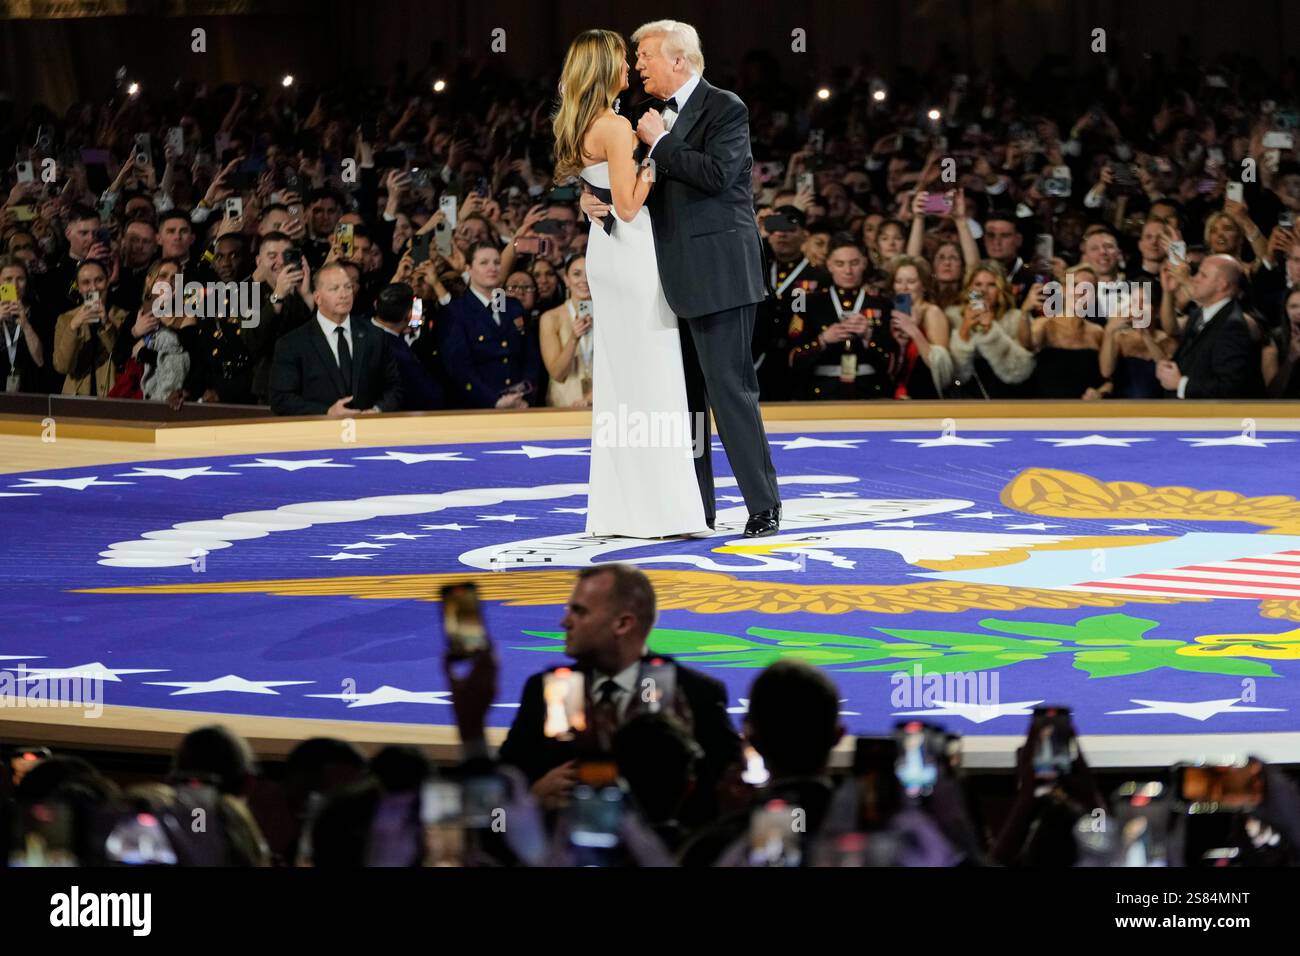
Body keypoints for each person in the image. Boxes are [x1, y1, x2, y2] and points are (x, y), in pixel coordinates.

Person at [580, 19, 781, 538]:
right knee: (685, 403)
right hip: (663, 281)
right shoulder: (639, 118)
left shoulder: (725, 107)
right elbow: (640, 193)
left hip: (719, 275)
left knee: (729, 391)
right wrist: (596, 201)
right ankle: (696, 509)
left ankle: (763, 505)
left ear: (679, 60)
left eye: (644, 55)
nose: (637, 64)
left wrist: (663, 142)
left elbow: (718, 176)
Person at [556, 28, 706, 537]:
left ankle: (621, 511)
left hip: (606, 255)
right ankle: (663, 511)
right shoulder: (617, 127)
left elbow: (595, 191)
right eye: (622, 60)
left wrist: (587, 195)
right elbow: (626, 204)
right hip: (633, 254)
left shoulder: (579, 124)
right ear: (603, 69)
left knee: (621, 385)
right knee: (656, 379)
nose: (629, 69)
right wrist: (653, 167)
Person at [497, 564, 741, 826]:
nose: (564, 621)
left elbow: (728, 798)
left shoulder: (695, 695)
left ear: (623, 624)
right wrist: (532, 800)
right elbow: (497, 797)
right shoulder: (547, 689)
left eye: (579, 611)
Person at [269, 261, 403, 416]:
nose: (344, 294)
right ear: (317, 297)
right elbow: (281, 399)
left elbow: (395, 387)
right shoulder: (292, 343)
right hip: (318, 434)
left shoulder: (374, 335)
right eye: (334, 289)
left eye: (348, 287)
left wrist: (377, 410)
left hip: (367, 432)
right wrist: (326, 412)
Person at [438, 242, 541, 410]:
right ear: (469, 269)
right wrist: (494, 401)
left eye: (497, 262)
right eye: (484, 263)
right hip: (478, 408)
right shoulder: (456, 311)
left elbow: (530, 358)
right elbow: (459, 368)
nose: (492, 268)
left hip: (520, 405)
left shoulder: (513, 307)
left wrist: (526, 397)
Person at [1156, 254, 1263, 399]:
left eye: (1203, 275)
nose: (1194, 278)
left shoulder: (1232, 326)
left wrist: (1181, 384)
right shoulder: (1199, 314)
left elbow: (1230, 388)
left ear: (1222, 285)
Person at [370, 282, 444, 410]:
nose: (418, 309)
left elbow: (414, 324)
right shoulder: (394, 351)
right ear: (410, 314)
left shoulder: (362, 330)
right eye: (415, 306)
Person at [538, 252, 594, 408]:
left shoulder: (610, 315)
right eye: (577, 274)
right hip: (564, 405)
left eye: (589, 273)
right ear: (566, 280)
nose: (584, 280)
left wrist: (592, 396)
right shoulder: (551, 318)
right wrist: (574, 338)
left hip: (602, 404)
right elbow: (557, 374)